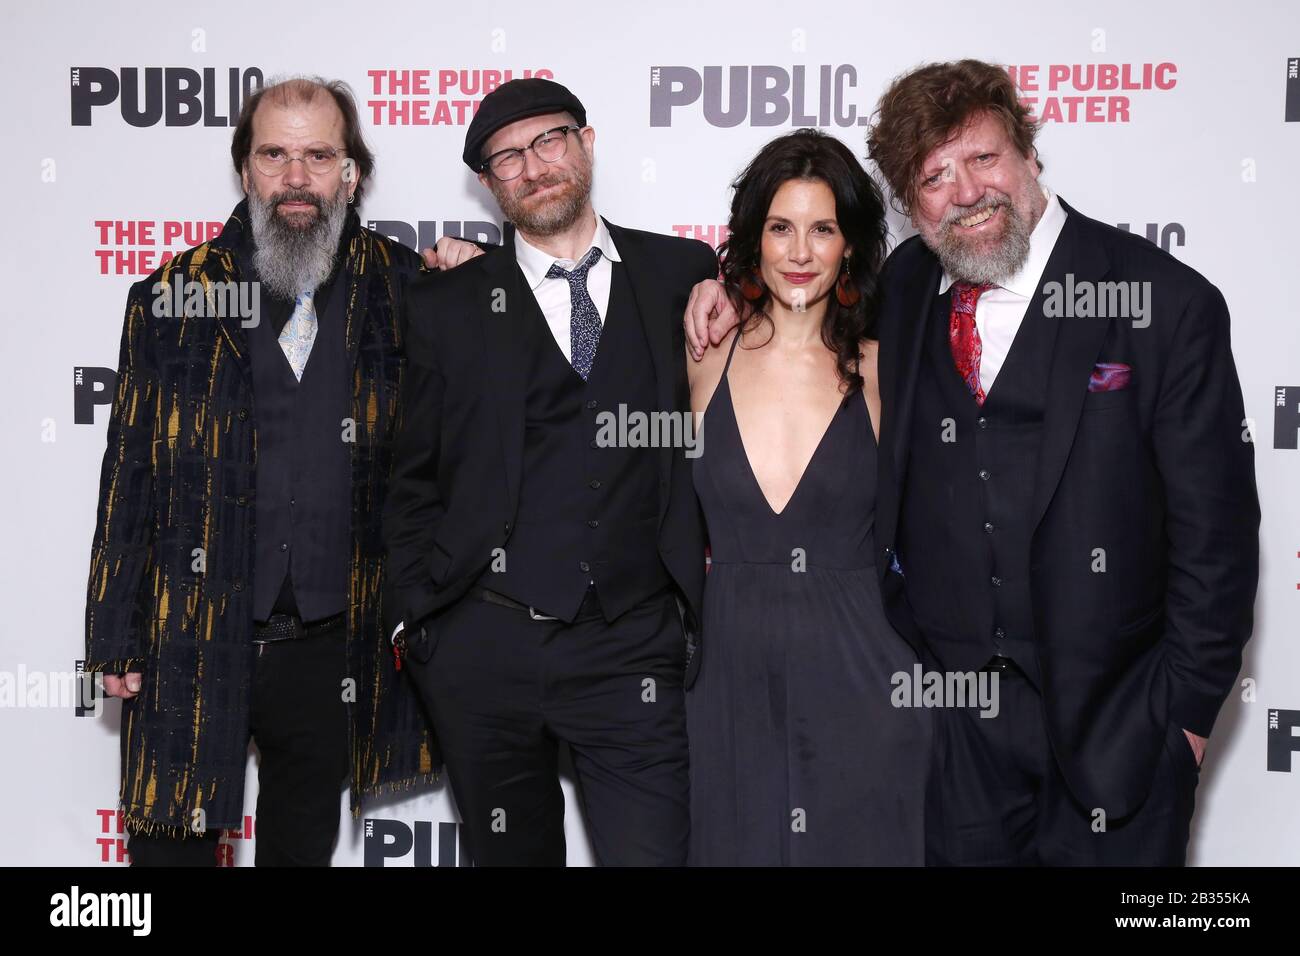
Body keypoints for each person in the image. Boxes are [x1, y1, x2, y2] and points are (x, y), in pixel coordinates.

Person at [686, 59, 1259, 865]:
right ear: (910, 205)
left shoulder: (1164, 302)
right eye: (933, 177)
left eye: (982, 159)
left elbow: (1218, 544)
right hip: (950, 739)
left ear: (1029, 154)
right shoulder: (912, 282)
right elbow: (800, 289)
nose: (964, 192)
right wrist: (719, 285)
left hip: (1118, 731)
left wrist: (1184, 727)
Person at [84, 76, 446, 866]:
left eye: (319, 156)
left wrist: (476, 273)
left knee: (300, 848)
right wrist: (113, 634)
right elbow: (130, 468)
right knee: (166, 855)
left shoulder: (408, 290)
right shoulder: (172, 295)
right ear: (245, 170)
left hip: (331, 641)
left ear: (351, 173)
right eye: (274, 154)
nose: (296, 177)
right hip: (188, 629)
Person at [383, 78, 718, 866]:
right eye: (507, 157)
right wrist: (418, 620)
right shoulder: (448, 303)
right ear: (487, 183)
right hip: (483, 646)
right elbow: (413, 478)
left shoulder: (683, 273)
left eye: (549, 140)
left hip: (632, 645)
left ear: (587, 142)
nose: (533, 167)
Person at [685, 129, 929, 865]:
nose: (799, 251)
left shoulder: (889, 372)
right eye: (781, 228)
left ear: (850, 244)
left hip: (864, 686)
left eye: (822, 229)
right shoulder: (700, 353)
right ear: (752, 239)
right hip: (724, 691)